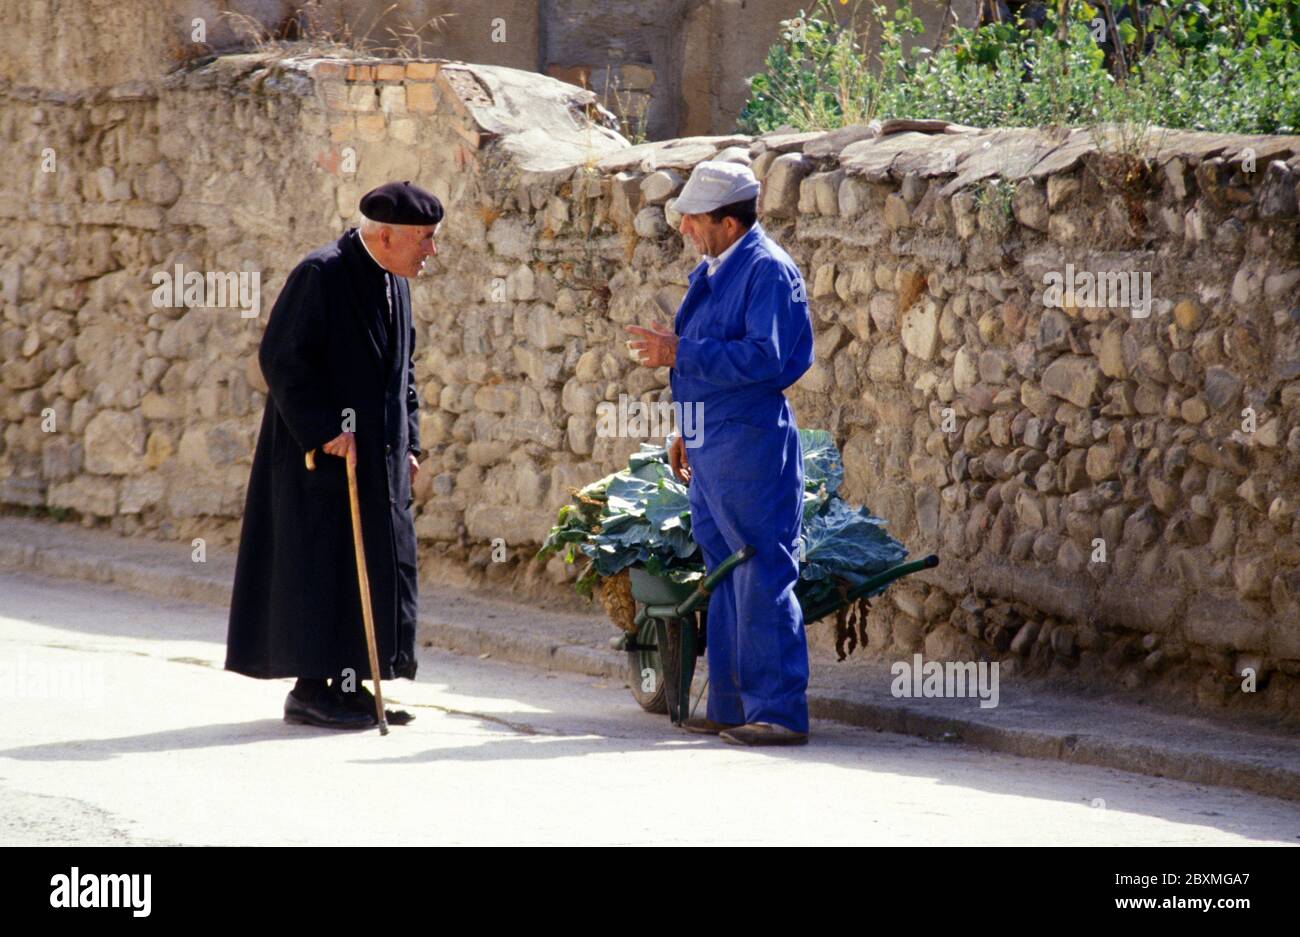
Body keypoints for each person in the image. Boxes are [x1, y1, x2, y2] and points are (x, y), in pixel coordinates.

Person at [225, 181, 440, 729]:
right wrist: (324, 430)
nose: (431, 251)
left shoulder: (395, 283)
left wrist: (410, 444)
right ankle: (311, 690)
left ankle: (352, 685)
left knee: (367, 566)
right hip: (321, 462)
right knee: (323, 569)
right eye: (424, 239)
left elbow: (403, 376)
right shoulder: (320, 274)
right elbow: (282, 359)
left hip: (379, 458)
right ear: (385, 235)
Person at [627, 160, 815, 746]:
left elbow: (764, 359)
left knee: (759, 566)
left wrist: (679, 351)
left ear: (728, 223)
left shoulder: (766, 272)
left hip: (749, 444)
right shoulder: (719, 266)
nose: (684, 228)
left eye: (693, 219)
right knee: (724, 570)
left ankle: (778, 712)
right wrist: (687, 426)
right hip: (713, 441)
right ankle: (734, 706)